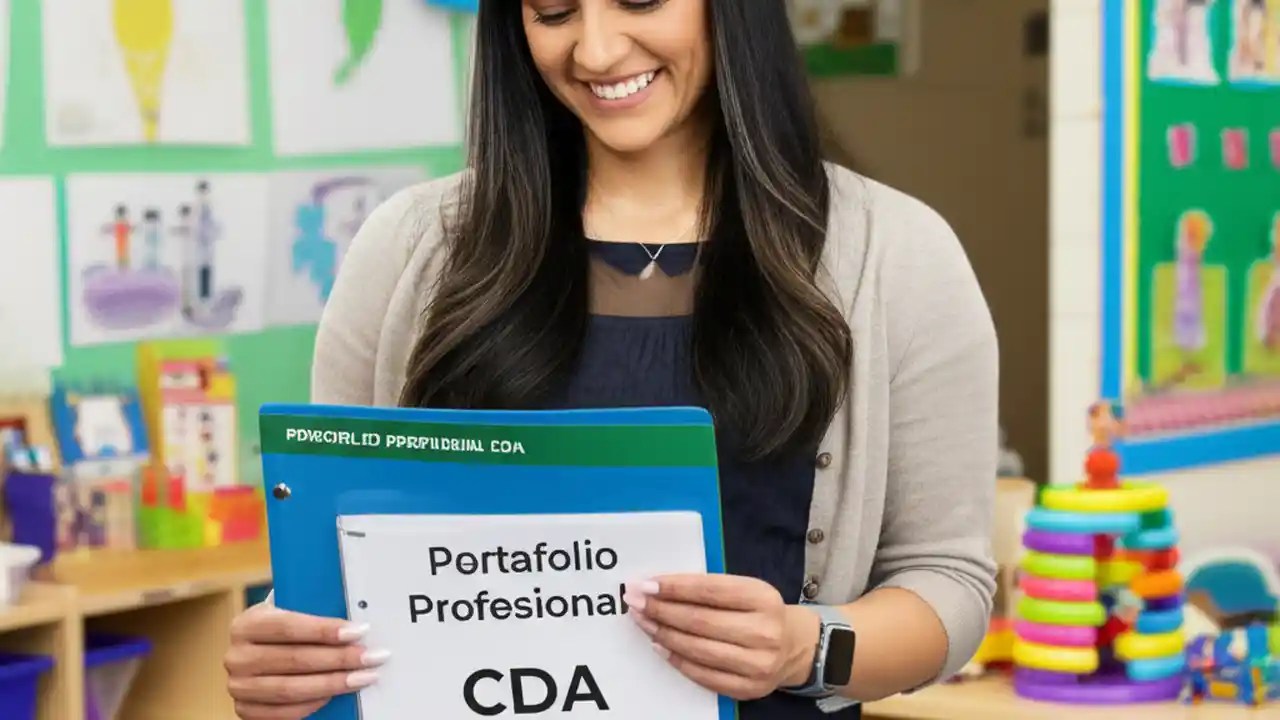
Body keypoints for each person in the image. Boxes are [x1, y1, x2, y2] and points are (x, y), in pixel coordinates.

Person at [224, 1, 998, 719]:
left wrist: (803, 646)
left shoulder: (894, 255)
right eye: (554, 11)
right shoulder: (407, 250)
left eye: (640, 0)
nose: (593, 50)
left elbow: (948, 584)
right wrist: (285, 659)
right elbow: (334, 564)